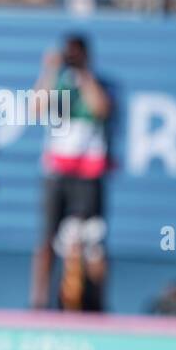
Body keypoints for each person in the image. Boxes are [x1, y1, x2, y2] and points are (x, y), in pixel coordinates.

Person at [29, 34, 113, 310]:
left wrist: (84, 73)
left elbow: (101, 108)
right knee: (47, 241)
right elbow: (35, 110)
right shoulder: (57, 84)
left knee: (92, 244)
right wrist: (50, 69)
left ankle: (96, 303)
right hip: (57, 172)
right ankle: (38, 303)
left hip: (88, 174)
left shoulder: (99, 84)